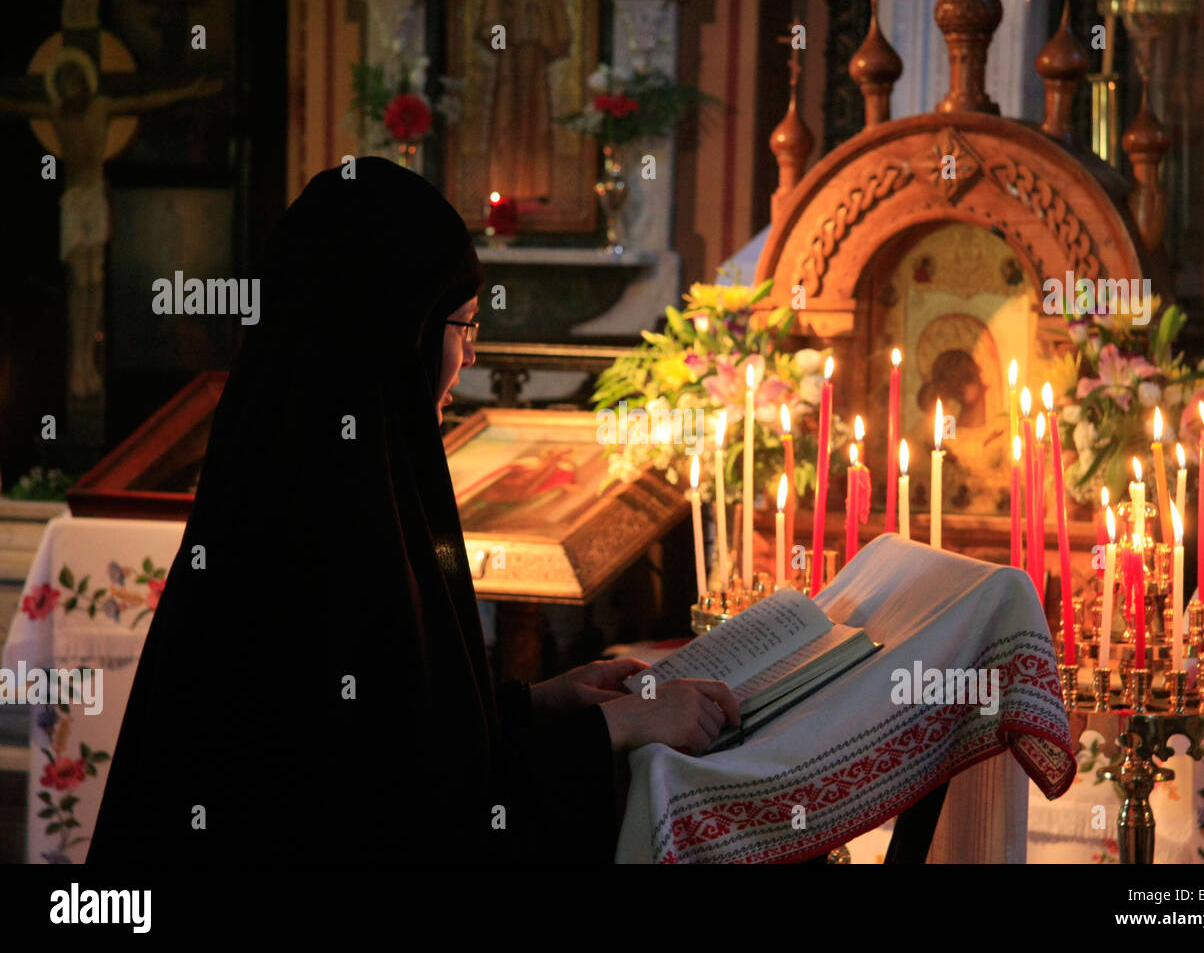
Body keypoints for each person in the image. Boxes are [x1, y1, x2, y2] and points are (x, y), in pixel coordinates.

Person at [87, 157, 738, 864]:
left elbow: (401, 732)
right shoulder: (339, 521)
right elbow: (410, 817)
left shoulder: (294, 461)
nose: (467, 361)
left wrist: (538, 703)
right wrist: (617, 729)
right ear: (403, 331)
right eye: (464, 327)